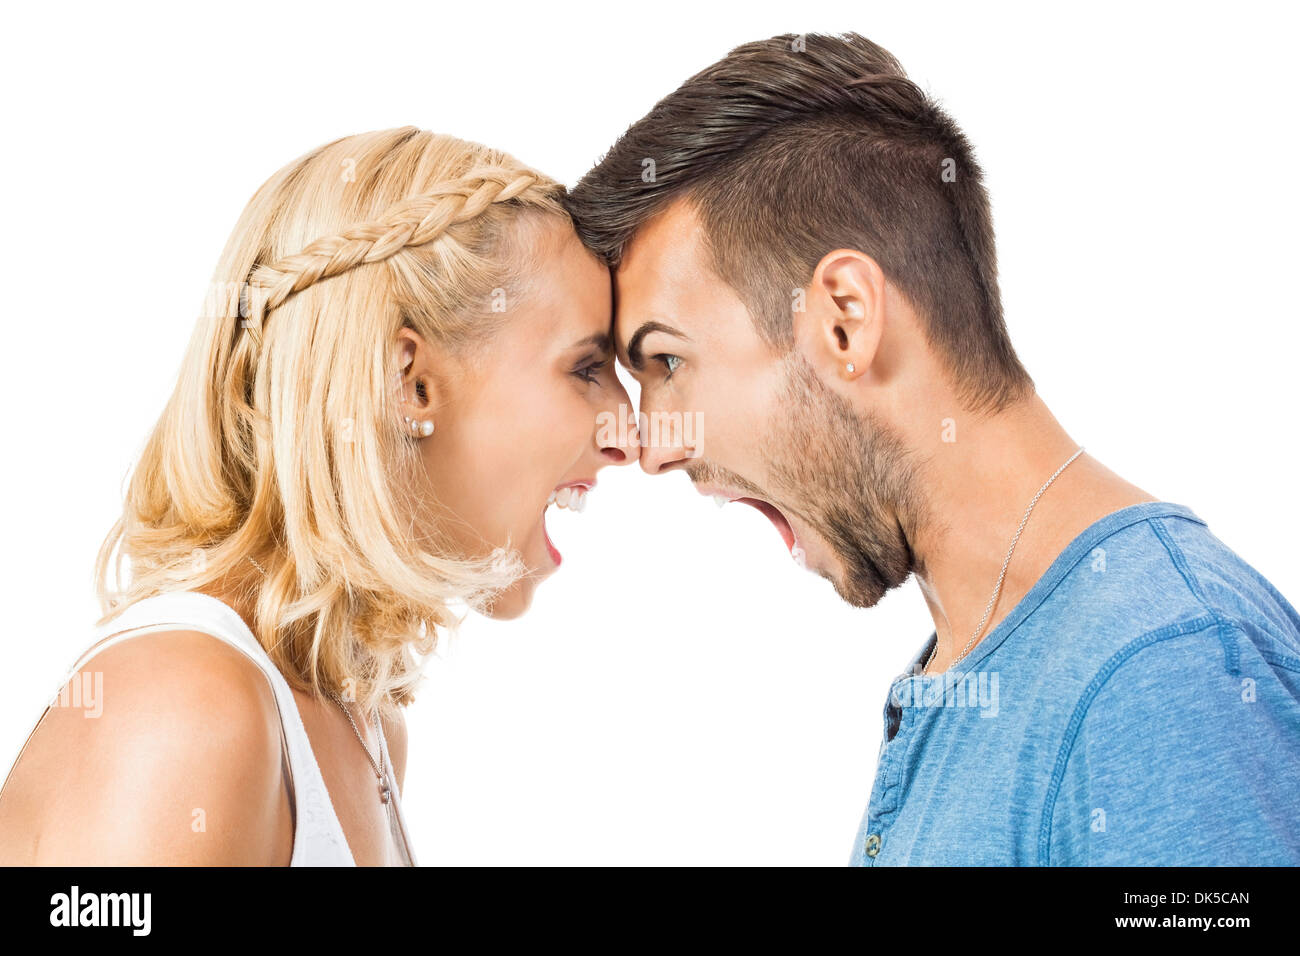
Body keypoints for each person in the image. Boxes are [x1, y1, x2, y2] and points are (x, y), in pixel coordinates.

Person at [563, 33, 1300, 865]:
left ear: (844, 319)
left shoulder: (1161, 678)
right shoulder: (981, 655)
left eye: (666, 360)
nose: (653, 450)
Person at [0, 127, 637, 865]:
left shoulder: (369, 729)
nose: (630, 432)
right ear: (409, 383)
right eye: (586, 368)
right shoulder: (186, 705)